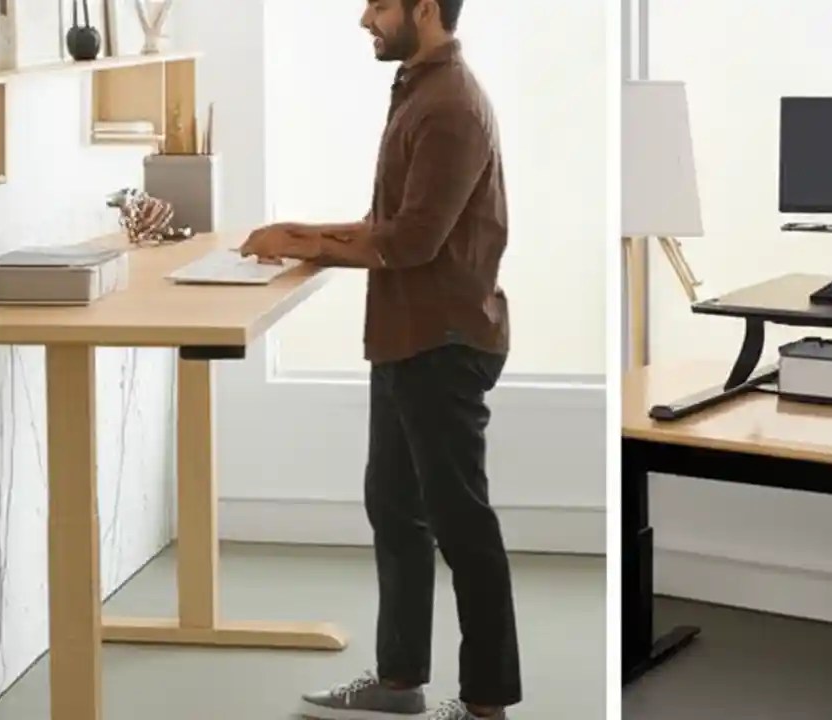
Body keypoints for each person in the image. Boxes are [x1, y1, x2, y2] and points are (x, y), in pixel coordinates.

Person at [240, 1, 519, 718]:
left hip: (445, 343)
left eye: (380, 3)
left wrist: (301, 243)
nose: (366, 17)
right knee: (395, 509)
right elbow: (385, 225)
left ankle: (486, 705)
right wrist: (294, 232)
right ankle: (399, 683)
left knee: (461, 524)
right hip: (405, 338)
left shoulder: (451, 106)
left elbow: (410, 243)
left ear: (424, 8)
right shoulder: (418, 90)